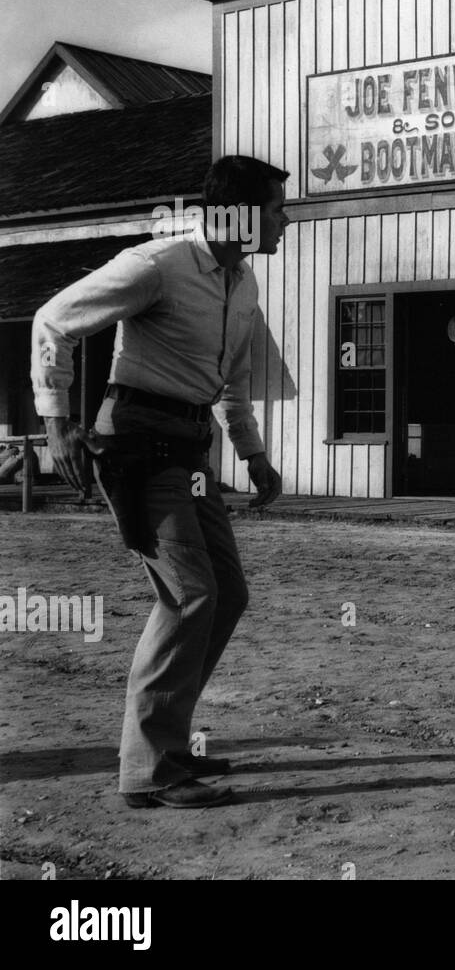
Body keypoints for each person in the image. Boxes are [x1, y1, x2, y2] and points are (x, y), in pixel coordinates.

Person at [31, 155, 289, 808]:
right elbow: (54, 320)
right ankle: (149, 769)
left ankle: (168, 748)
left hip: (189, 451)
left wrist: (253, 456)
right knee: (189, 594)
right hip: (138, 448)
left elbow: (230, 384)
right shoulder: (159, 265)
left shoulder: (244, 286)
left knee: (224, 592)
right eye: (276, 207)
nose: (284, 220)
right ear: (237, 213)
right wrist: (57, 424)